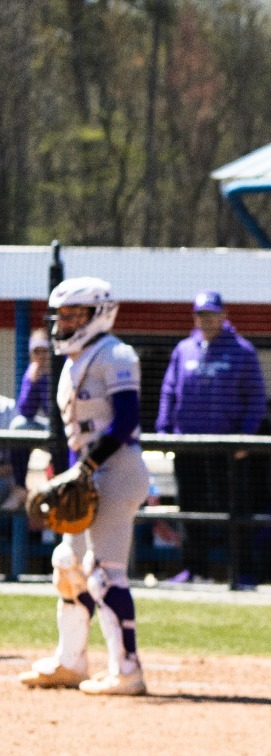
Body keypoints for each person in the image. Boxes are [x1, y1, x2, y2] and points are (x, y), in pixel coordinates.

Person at [17, 278, 151, 696]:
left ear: (101, 314)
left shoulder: (115, 354)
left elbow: (126, 419)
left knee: (104, 573)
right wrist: (75, 471)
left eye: (76, 315)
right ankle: (70, 662)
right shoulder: (75, 359)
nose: (67, 323)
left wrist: (86, 466)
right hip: (92, 470)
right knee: (67, 566)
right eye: (63, 316)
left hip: (117, 468)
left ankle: (126, 670)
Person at [157, 290, 268, 584]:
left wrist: (245, 438)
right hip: (188, 445)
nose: (206, 320)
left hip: (228, 448)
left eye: (211, 314)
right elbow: (169, 390)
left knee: (235, 511)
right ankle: (196, 572)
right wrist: (164, 431)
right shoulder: (183, 350)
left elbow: (257, 399)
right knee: (192, 511)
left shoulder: (242, 350)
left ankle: (242, 573)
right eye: (201, 315)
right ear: (195, 318)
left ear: (223, 315)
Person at [7, 328, 52, 504]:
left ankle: (57, 483)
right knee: (18, 425)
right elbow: (26, 411)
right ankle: (20, 487)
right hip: (47, 425)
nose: (41, 356)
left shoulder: (62, 366)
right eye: (36, 351)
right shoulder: (33, 372)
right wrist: (33, 382)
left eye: (44, 351)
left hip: (67, 426)